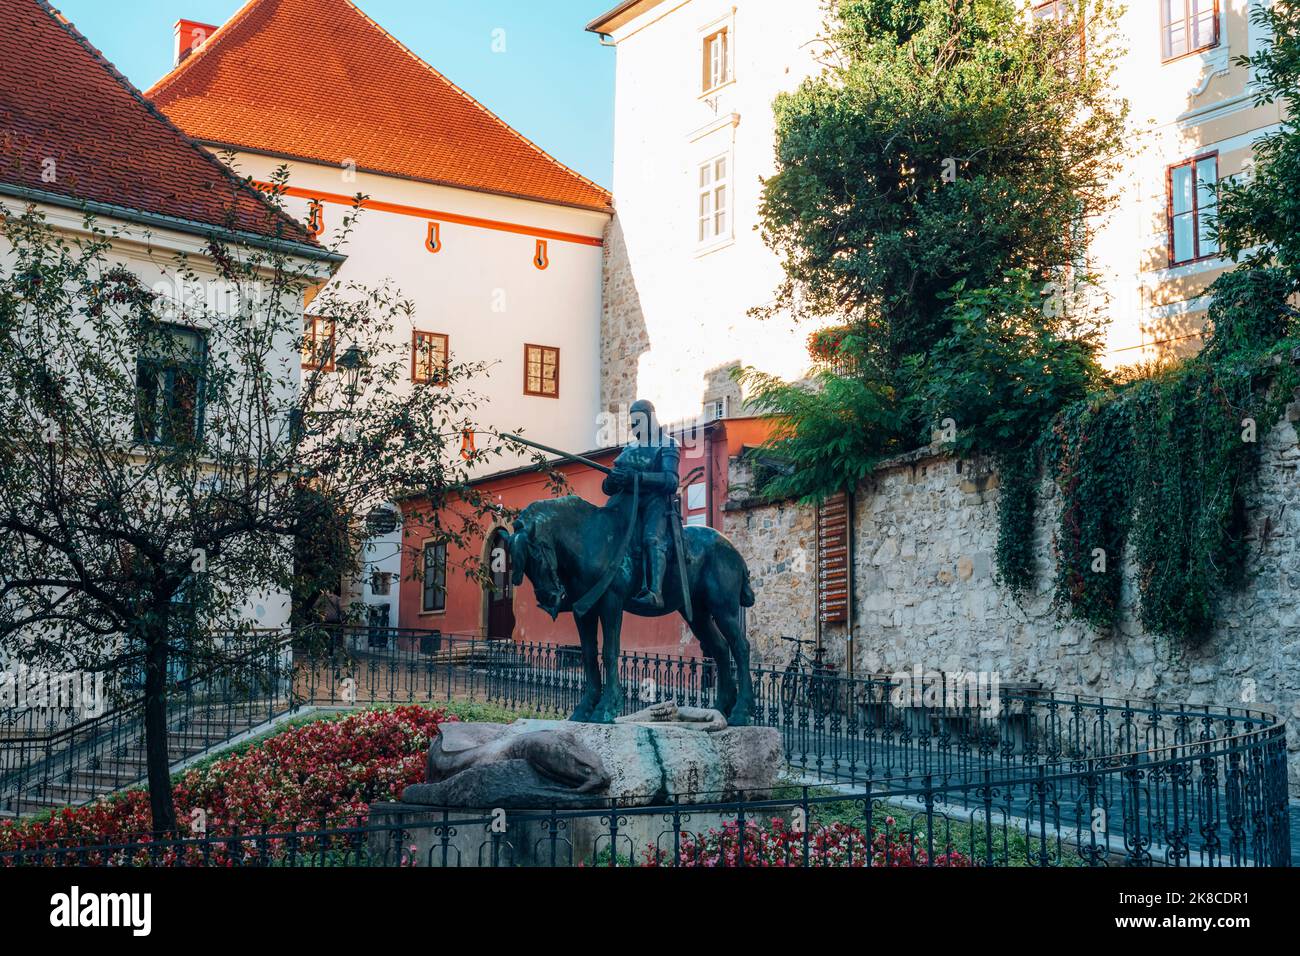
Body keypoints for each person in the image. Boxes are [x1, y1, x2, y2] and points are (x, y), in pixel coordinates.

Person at [602, 399, 679, 608]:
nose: (634, 425)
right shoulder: (629, 449)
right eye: (632, 421)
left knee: (652, 539)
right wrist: (612, 479)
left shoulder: (668, 444)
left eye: (638, 420)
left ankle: (655, 592)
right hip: (626, 503)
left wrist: (637, 477)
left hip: (656, 502)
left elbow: (671, 481)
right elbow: (609, 486)